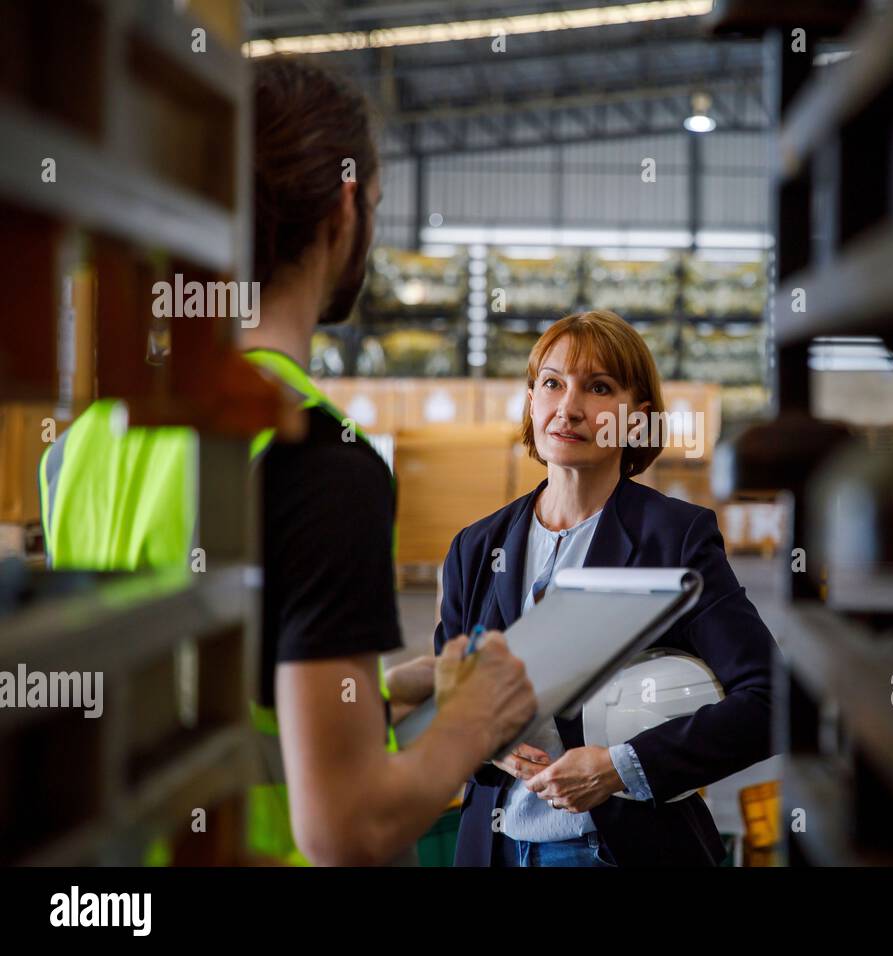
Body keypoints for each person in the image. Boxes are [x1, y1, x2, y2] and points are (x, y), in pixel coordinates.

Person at [38, 57, 536, 866]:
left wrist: (384, 687)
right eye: (373, 204)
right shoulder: (319, 457)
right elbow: (347, 827)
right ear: (345, 208)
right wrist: (473, 721)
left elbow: (198, 688)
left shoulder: (91, 439)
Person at [434, 309, 778, 867]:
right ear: (531, 400)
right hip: (495, 849)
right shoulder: (476, 548)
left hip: (619, 851)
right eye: (551, 383)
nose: (568, 408)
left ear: (636, 418)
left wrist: (622, 767)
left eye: (598, 388)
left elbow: (770, 699)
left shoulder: (674, 538)